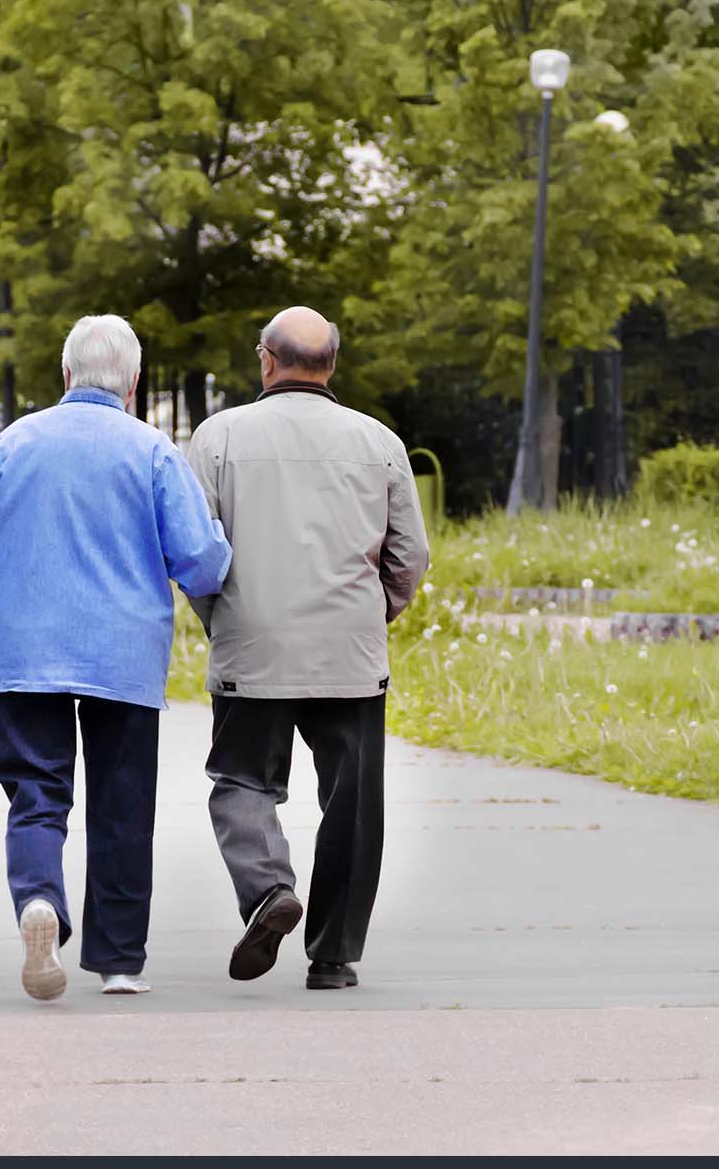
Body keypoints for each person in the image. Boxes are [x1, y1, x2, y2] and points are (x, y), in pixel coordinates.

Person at [0, 314, 232, 1001]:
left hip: (26, 653)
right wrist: (217, 542)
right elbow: (200, 564)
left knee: (36, 795)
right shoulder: (152, 450)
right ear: (132, 383)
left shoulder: (17, 442)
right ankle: (119, 959)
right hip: (123, 656)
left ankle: (40, 900)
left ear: (65, 376)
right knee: (123, 805)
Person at [185, 305, 429, 990]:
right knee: (352, 804)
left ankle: (268, 890)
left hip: (252, 645)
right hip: (350, 652)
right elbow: (410, 554)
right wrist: (376, 612)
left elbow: (198, 554)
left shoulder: (218, 438)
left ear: (266, 360)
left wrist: (222, 617)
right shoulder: (378, 440)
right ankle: (333, 957)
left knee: (241, 781)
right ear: (333, 364)